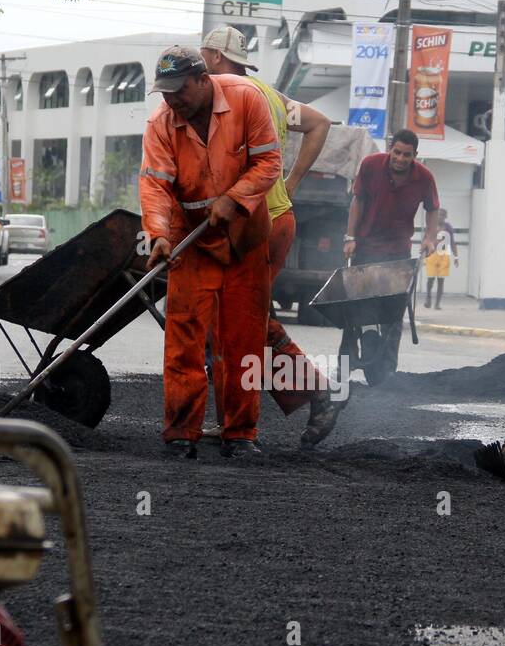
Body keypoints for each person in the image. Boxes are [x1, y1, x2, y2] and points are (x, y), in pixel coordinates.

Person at [199, 26, 343, 446]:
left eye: (204, 58)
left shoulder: (229, 96)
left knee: (237, 322)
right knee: (238, 320)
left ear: (216, 57)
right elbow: (318, 122)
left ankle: (311, 394)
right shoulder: (268, 94)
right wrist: (291, 183)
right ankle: (303, 396)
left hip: (258, 222)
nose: (200, 67)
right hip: (275, 216)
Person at [139, 45, 282, 460]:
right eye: (164, 93)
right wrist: (158, 234)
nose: (172, 101)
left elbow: (269, 162)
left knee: (243, 338)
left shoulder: (245, 98)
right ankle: (182, 432)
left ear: (203, 80)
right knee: (183, 336)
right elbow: (155, 185)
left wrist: (234, 199)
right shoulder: (162, 123)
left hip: (245, 236)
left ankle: (240, 434)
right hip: (191, 238)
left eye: (179, 90)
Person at [343, 129, 441, 370]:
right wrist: (350, 237)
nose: (400, 158)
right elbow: (358, 200)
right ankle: (347, 363)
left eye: (407, 155)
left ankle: (387, 370)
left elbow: (433, 208)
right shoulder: (370, 165)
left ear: (414, 155)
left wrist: (429, 237)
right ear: (390, 148)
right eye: (396, 152)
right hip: (365, 249)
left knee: (393, 314)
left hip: (398, 254)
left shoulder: (424, 177)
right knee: (358, 309)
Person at [423, 209, 458, 309]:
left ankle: (437, 303)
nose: (440, 217)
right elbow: (425, 240)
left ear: (446, 217)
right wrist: (423, 254)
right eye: (438, 215)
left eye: (442, 215)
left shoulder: (448, 228)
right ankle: (428, 298)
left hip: (444, 256)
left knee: (441, 281)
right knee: (430, 278)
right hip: (432, 255)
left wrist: (456, 256)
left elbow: (452, 242)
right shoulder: (431, 226)